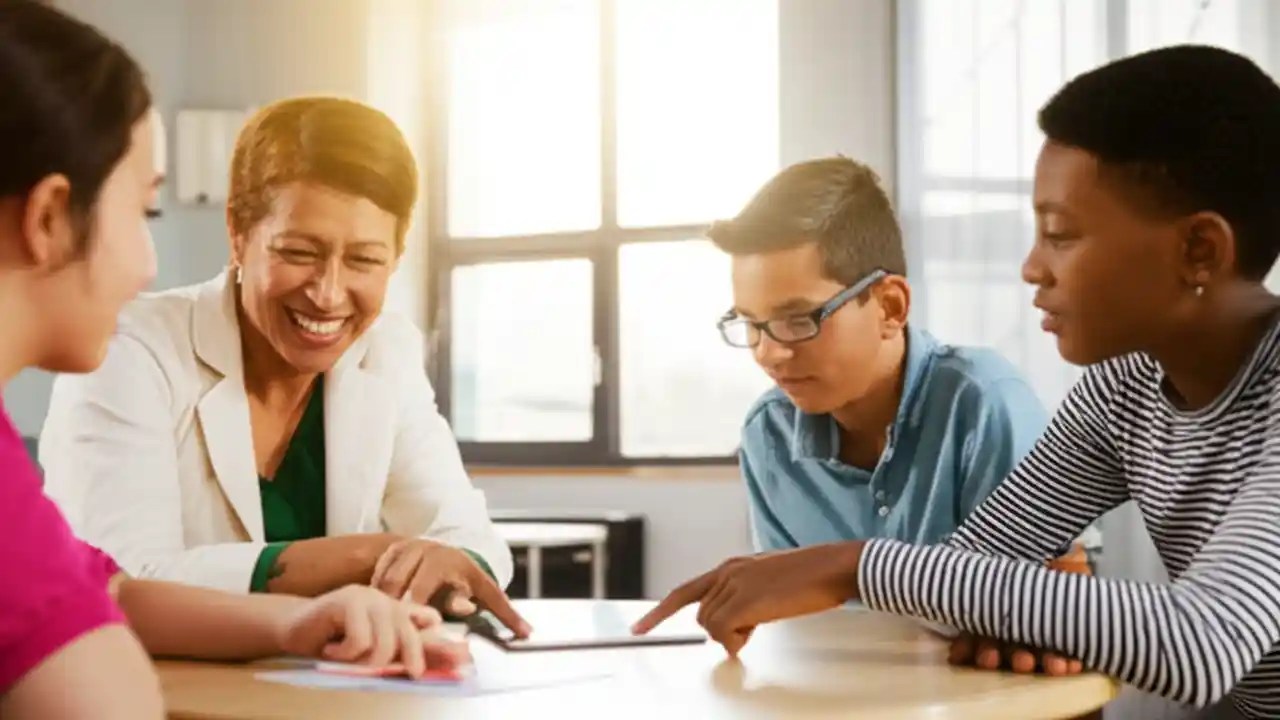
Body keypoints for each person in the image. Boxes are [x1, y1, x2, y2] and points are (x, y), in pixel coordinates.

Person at [635, 45, 1280, 719]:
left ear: (1199, 250)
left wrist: (850, 565)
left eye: (1061, 235)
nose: (1033, 267)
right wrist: (1002, 617)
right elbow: (970, 569)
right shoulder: (1122, 392)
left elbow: (1205, 641)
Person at [0, 3, 471, 718]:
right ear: (49, 218)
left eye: (365, 258)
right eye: (144, 212)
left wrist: (296, 622)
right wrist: (342, 562)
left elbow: (106, 588)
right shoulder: (137, 348)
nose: (147, 264)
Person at [38, 93, 523, 626]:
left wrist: (453, 559)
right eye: (299, 252)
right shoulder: (133, 348)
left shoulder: (386, 349)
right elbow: (118, 577)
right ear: (238, 234)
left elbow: (466, 534)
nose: (329, 294)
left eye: (364, 259)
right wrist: (360, 557)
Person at [708, 156, 1049, 554]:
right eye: (751, 323)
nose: (769, 354)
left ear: (889, 306)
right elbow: (792, 607)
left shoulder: (985, 404)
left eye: (799, 319)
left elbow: (1032, 602)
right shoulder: (769, 434)